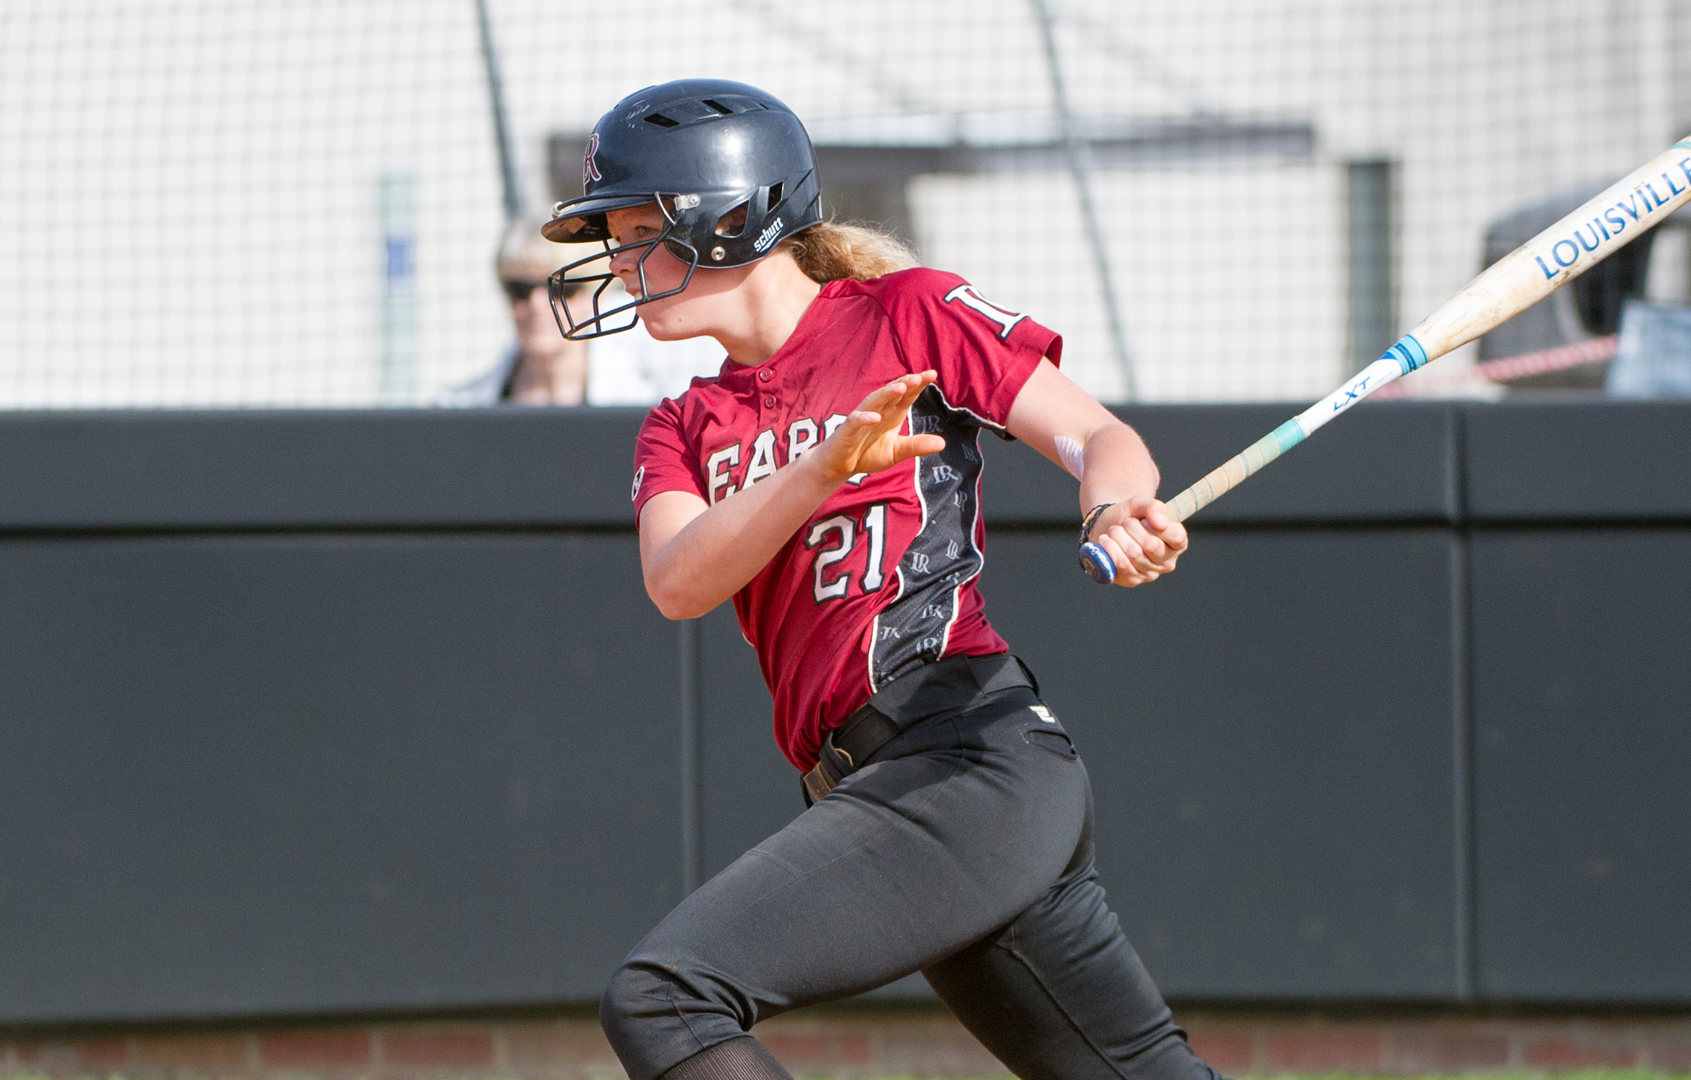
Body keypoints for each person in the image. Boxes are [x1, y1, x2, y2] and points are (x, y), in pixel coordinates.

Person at [543, 79, 1208, 1080]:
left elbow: (1101, 439)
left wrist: (1114, 506)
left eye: (642, 229)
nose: (621, 262)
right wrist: (818, 470)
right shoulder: (681, 425)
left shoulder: (908, 313)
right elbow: (679, 580)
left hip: (967, 757)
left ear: (733, 216)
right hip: (875, 786)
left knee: (666, 997)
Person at [439, 218, 721, 406]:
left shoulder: (649, 402)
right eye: (521, 289)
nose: (538, 305)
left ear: (594, 294)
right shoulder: (461, 406)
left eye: (562, 290)